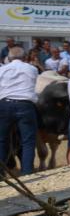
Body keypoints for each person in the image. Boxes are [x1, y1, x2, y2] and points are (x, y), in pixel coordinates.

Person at [0, 46, 39, 175]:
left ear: (9, 58)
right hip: (25, 105)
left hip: (5, 104)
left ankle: (1, 173)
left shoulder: (2, 69)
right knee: (28, 141)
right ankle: (27, 173)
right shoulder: (32, 69)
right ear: (24, 57)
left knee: (1, 140)